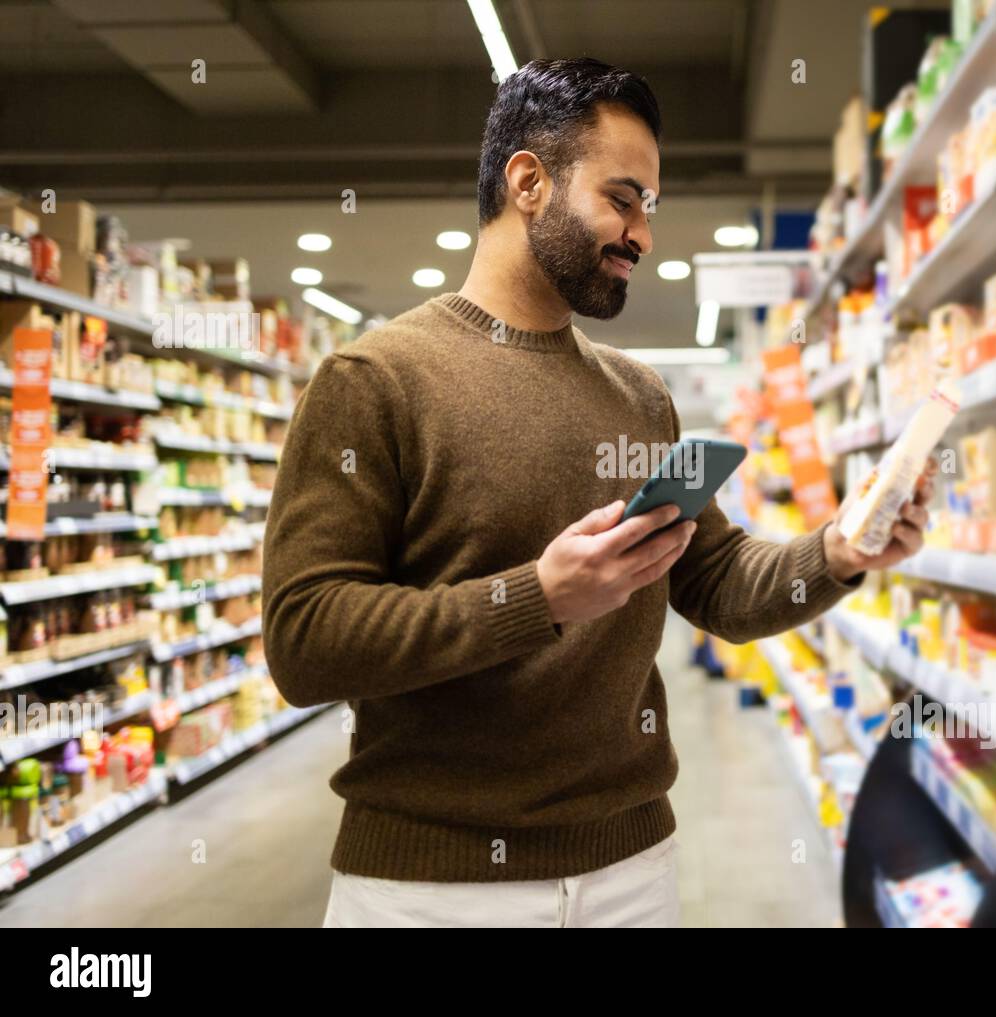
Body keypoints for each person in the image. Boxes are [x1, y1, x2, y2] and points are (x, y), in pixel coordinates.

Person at [261, 57, 932, 928]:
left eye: (649, 207)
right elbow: (303, 639)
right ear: (528, 182)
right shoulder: (376, 380)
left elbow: (717, 583)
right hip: (433, 886)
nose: (642, 235)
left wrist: (838, 552)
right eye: (622, 199)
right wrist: (536, 598)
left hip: (631, 869)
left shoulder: (639, 396)